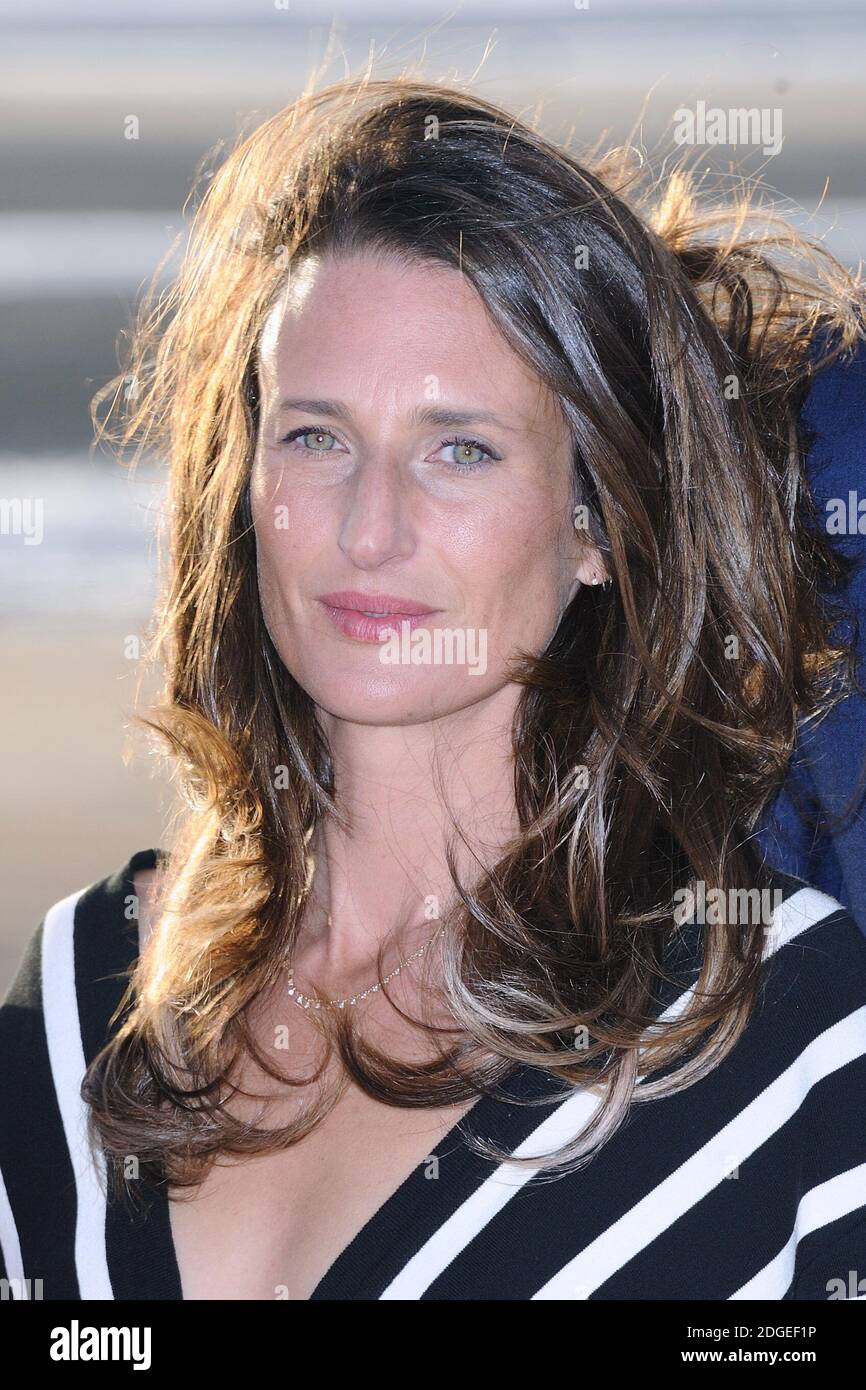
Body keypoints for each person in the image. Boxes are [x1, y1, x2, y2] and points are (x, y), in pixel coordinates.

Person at [2, 76, 866, 1301]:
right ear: (244, 488)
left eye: (459, 448)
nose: (369, 529)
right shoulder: (82, 992)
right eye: (316, 436)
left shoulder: (778, 1027)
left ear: (596, 526)